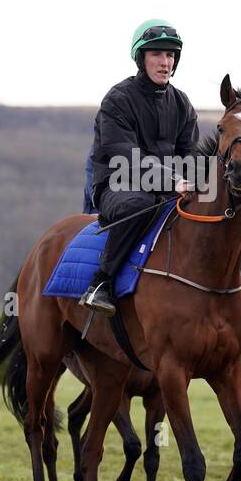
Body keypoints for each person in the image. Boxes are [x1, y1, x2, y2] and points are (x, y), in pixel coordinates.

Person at [79, 19, 199, 316]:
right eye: (157, 54)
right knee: (140, 203)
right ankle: (101, 283)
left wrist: (197, 180)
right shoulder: (118, 100)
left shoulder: (182, 104)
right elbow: (126, 161)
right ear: (141, 58)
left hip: (167, 190)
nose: (165, 62)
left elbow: (191, 155)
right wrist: (172, 182)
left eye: (170, 56)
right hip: (118, 186)